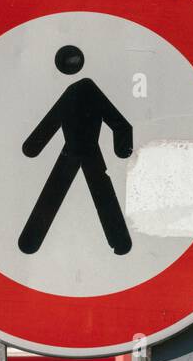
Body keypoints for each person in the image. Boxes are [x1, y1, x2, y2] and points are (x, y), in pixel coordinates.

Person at [19, 45, 134, 256]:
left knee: (57, 193)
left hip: (80, 152)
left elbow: (119, 123)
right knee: (99, 195)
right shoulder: (79, 92)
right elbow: (120, 124)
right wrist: (122, 147)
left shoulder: (80, 92)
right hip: (80, 152)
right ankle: (121, 243)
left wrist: (33, 146)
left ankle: (29, 242)